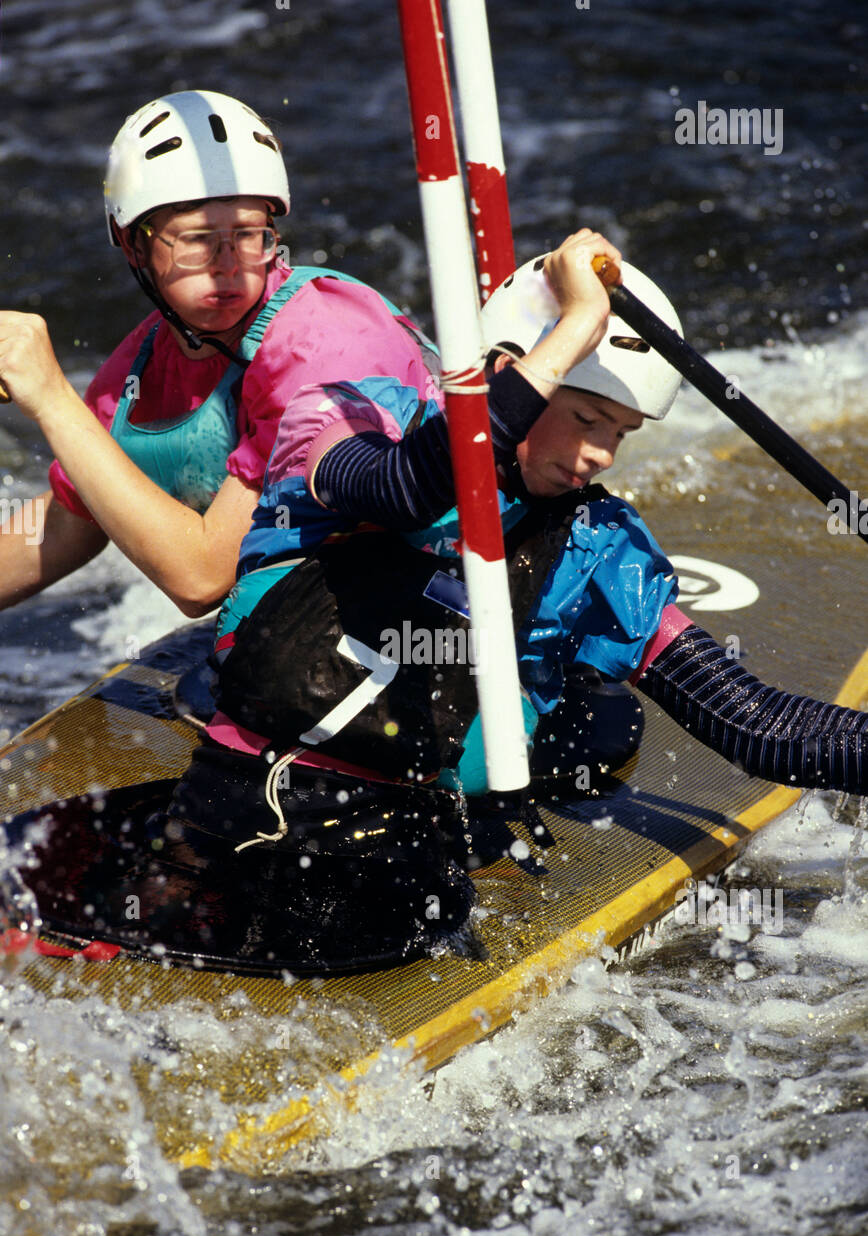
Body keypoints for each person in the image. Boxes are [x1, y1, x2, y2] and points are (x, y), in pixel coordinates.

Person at [50, 228, 868, 973]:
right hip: (241, 783)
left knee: (535, 757)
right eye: (585, 417)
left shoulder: (598, 549)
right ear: (509, 371)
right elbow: (410, 487)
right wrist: (570, 331)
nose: (595, 455)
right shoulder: (347, 420)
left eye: (619, 433)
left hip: (393, 836)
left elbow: (755, 726)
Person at [0, 89, 438, 617]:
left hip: (453, 607)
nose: (228, 264)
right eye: (199, 240)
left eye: (250, 235)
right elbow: (68, 521)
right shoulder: (143, 364)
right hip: (333, 611)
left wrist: (51, 398)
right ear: (133, 244)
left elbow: (203, 576)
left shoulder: (320, 341)